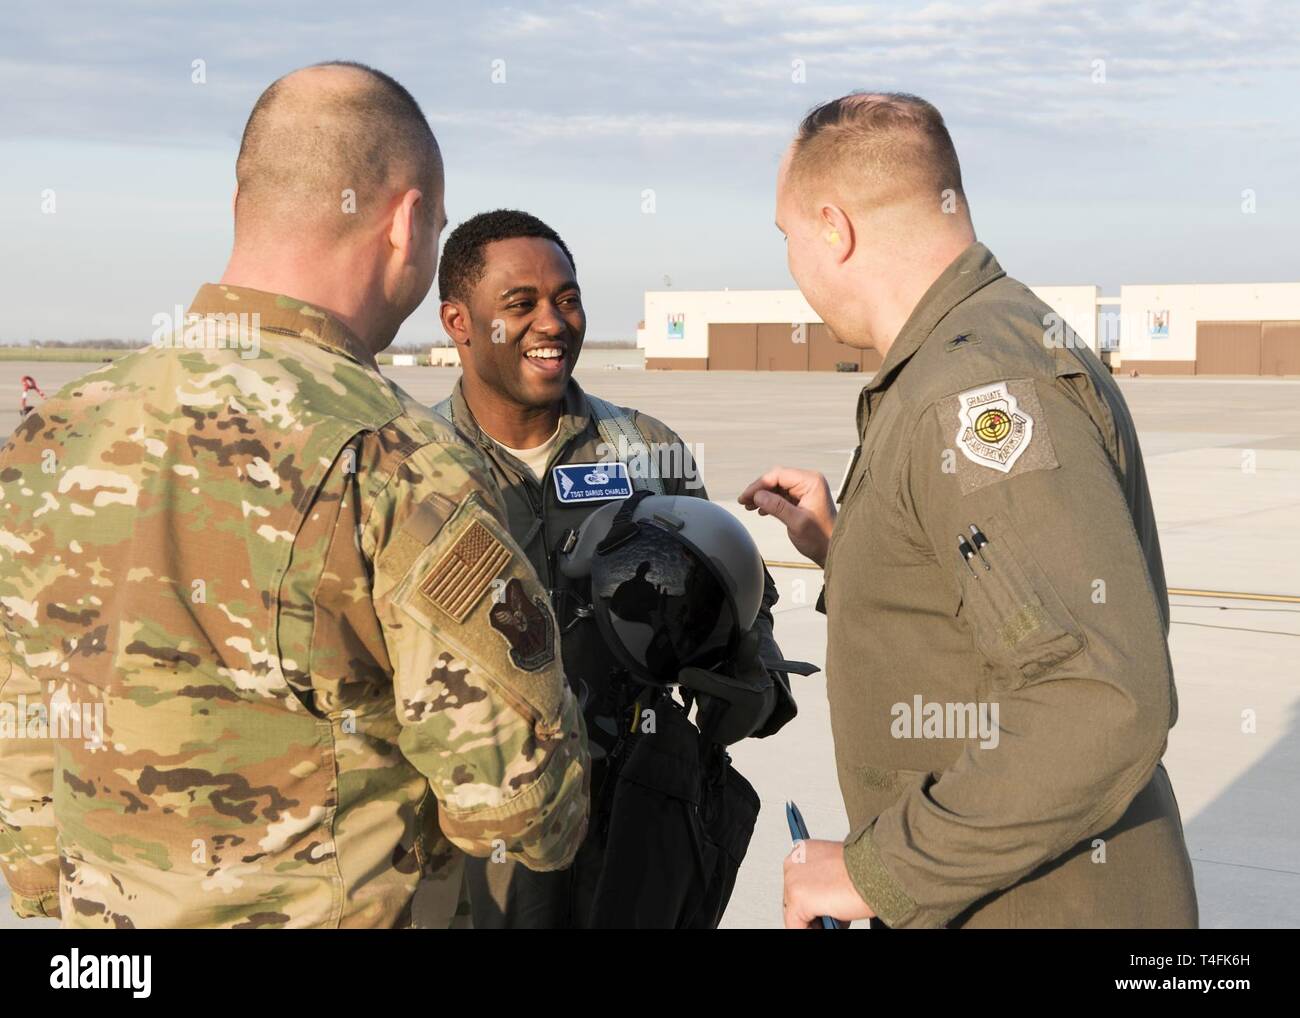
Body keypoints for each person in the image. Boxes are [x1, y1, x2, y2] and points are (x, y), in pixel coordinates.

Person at [0, 63, 587, 929]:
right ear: (409, 222)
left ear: (246, 205)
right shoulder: (396, 457)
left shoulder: (52, 433)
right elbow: (517, 806)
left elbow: (26, 775)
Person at [742, 92, 1197, 928]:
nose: (793, 264)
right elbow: (992, 606)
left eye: (788, 237)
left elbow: (1100, 697)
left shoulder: (970, 389)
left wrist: (876, 874)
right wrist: (851, 551)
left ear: (834, 229)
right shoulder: (986, 341)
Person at [434, 209, 798, 927]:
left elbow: (742, 625)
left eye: (567, 299)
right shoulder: (414, 469)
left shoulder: (645, 454)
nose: (553, 322)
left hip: (633, 827)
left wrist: (746, 681)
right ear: (458, 322)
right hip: (472, 838)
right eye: (521, 304)